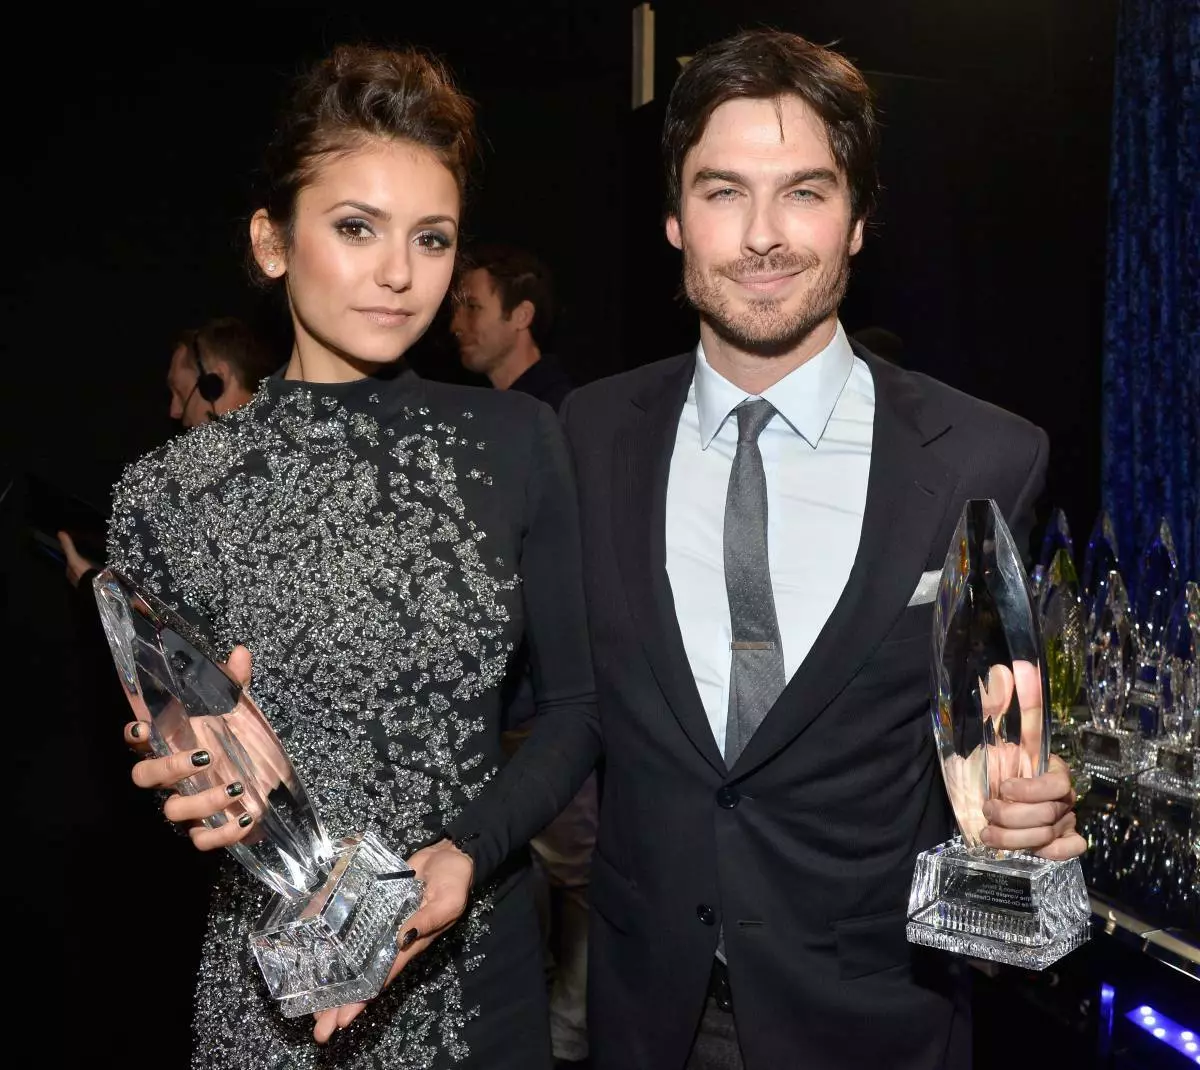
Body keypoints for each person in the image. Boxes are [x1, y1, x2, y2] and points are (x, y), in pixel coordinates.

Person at [406, 29, 1087, 1070]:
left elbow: (994, 727)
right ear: (675, 218)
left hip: (876, 1023)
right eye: (725, 192)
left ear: (858, 219)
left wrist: (1022, 813)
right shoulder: (582, 438)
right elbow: (524, 702)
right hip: (643, 1017)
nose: (764, 235)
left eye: (805, 192)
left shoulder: (987, 456)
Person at [110, 44, 594, 1069]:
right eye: (355, 227)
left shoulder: (515, 443)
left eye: (432, 239)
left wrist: (467, 853)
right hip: (274, 991)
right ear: (272, 241)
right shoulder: (169, 494)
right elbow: (189, 751)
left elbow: (577, 709)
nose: (397, 272)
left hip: (480, 971)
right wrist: (187, 774)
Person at [452, 241, 594, 1067]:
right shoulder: (471, 420)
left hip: (545, 714)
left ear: (522, 316)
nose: (456, 320)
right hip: (499, 714)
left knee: (583, 888)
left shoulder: (560, 420)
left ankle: (572, 1040)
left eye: (473, 303)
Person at [57, 316, 277, 586]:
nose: (174, 411)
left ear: (216, 382)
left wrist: (99, 590)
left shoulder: (241, 475)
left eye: (180, 391)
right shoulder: (274, 450)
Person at [451, 244, 573, 409]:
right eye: (457, 310)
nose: (455, 326)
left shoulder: (560, 412)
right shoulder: (481, 408)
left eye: (473, 308)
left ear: (522, 316)